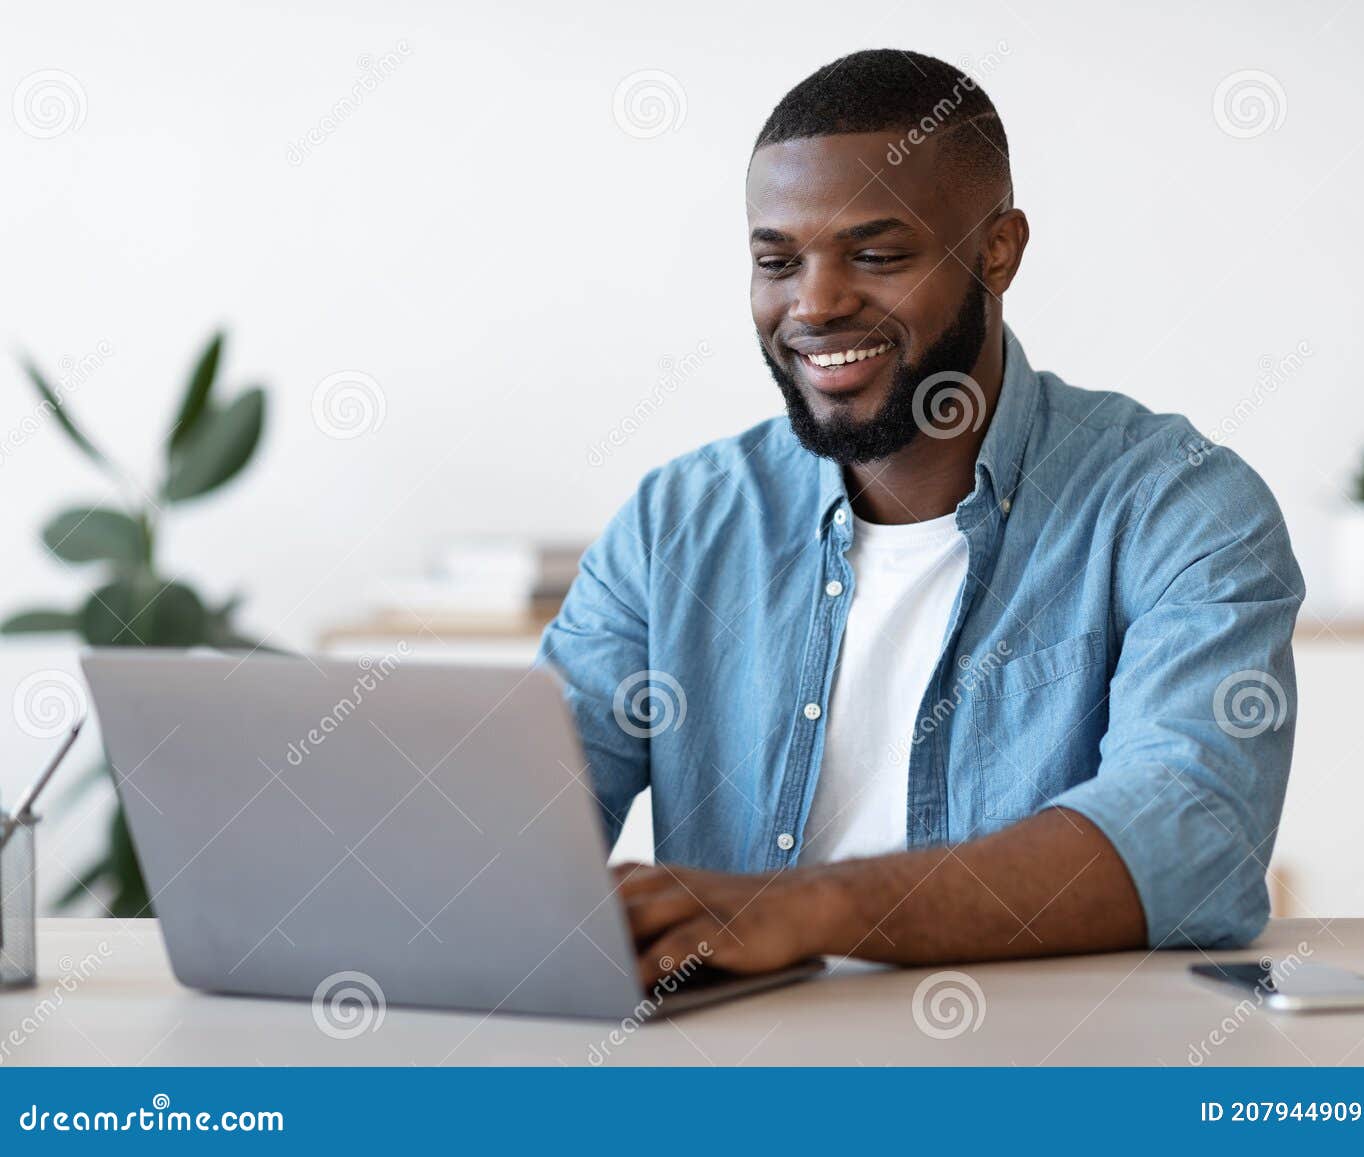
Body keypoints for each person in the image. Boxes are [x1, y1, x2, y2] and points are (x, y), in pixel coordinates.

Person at [537, 49, 1305, 987]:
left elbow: (1191, 840)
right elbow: (521, 827)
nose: (815, 303)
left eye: (876, 255)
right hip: (734, 1058)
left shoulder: (1178, 505)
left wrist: (803, 908)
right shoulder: (677, 525)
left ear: (999, 251)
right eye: (777, 262)